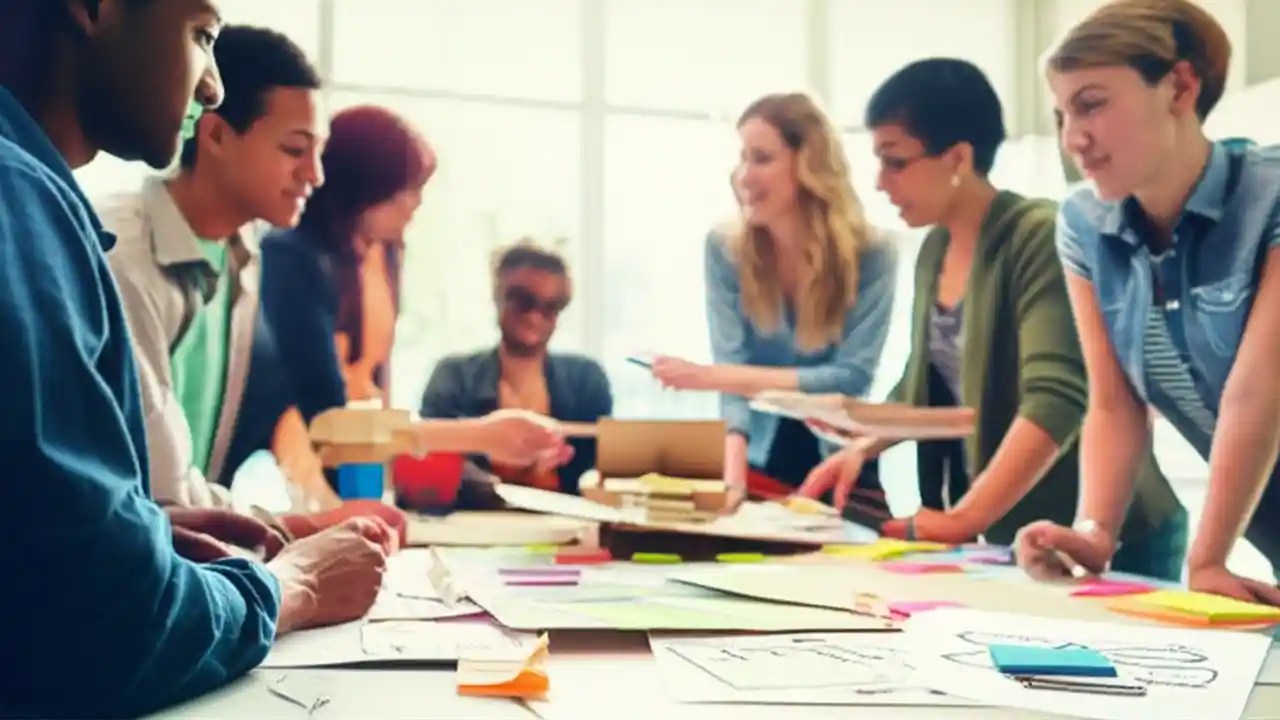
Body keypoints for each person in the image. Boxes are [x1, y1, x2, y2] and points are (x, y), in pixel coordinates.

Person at [0, 1, 394, 716]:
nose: (211, 83)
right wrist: (293, 585)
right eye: (200, 35)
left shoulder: (231, 263)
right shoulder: (21, 205)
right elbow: (109, 624)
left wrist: (146, 531)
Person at [794, 59, 1184, 576]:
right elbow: (922, 384)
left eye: (895, 161)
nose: (881, 182)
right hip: (1016, 541)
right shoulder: (934, 249)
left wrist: (964, 517)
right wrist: (862, 447)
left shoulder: (1039, 236)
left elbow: (1057, 398)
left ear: (957, 157)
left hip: (1109, 536)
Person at [1016, 0, 1280, 603]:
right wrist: (1094, 532)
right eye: (1061, 115)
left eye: (1092, 104)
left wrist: (1208, 559)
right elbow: (1114, 404)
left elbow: (1260, 390)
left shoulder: (1270, 195)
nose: (1073, 139)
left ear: (1180, 87)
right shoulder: (1084, 224)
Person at [259, 105, 569, 487]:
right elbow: (327, 418)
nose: (415, 203)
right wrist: (481, 435)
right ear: (361, 187)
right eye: (404, 190)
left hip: (363, 453)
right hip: (301, 453)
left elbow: (374, 380)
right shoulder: (292, 257)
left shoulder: (383, 253)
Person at [100, 24, 341, 512]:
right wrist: (295, 528)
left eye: (319, 151)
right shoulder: (121, 252)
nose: (314, 174)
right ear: (214, 134)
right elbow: (162, 492)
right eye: (295, 149)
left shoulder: (244, 253)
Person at [651, 93, 896, 506]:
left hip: (839, 460)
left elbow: (851, 377)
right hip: (759, 460)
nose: (743, 176)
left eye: (761, 158)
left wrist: (714, 376)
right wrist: (733, 479)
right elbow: (733, 369)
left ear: (808, 165)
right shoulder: (724, 248)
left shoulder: (873, 252)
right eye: (742, 158)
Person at [422, 239, 613, 494]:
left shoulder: (587, 380)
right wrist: (509, 482)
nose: (534, 316)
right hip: (469, 525)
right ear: (498, 296)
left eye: (550, 306)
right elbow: (428, 464)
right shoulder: (454, 376)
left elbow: (602, 469)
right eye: (522, 300)